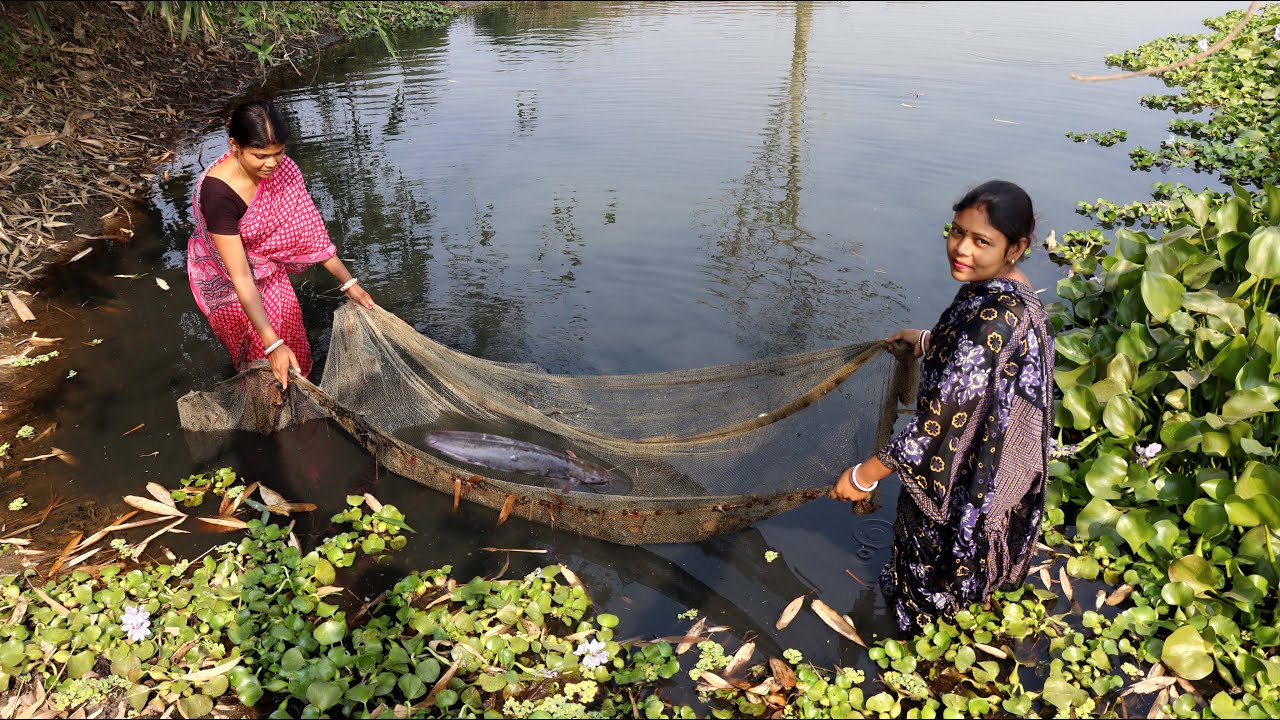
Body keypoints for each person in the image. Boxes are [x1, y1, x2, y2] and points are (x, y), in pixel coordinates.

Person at [830, 180, 1055, 636]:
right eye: (957, 232)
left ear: (1016, 247)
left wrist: (864, 475)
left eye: (981, 241)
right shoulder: (1012, 291)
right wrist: (928, 341)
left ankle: (919, 641)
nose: (961, 249)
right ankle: (955, 631)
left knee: (931, 584)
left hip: (974, 472)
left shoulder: (994, 315)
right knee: (967, 575)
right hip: (1008, 465)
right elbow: (988, 364)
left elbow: (936, 425)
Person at [187, 99, 374, 389]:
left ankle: (303, 398)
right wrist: (272, 344)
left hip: (267, 268)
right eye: (260, 156)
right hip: (227, 283)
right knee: (262, 361)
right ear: (235, 145)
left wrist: (349, 283)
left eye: (278, 152)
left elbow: (309, 233)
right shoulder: (218, 193)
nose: (272, 164)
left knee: (292, 341)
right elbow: (240, 276)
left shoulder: (284, 170)